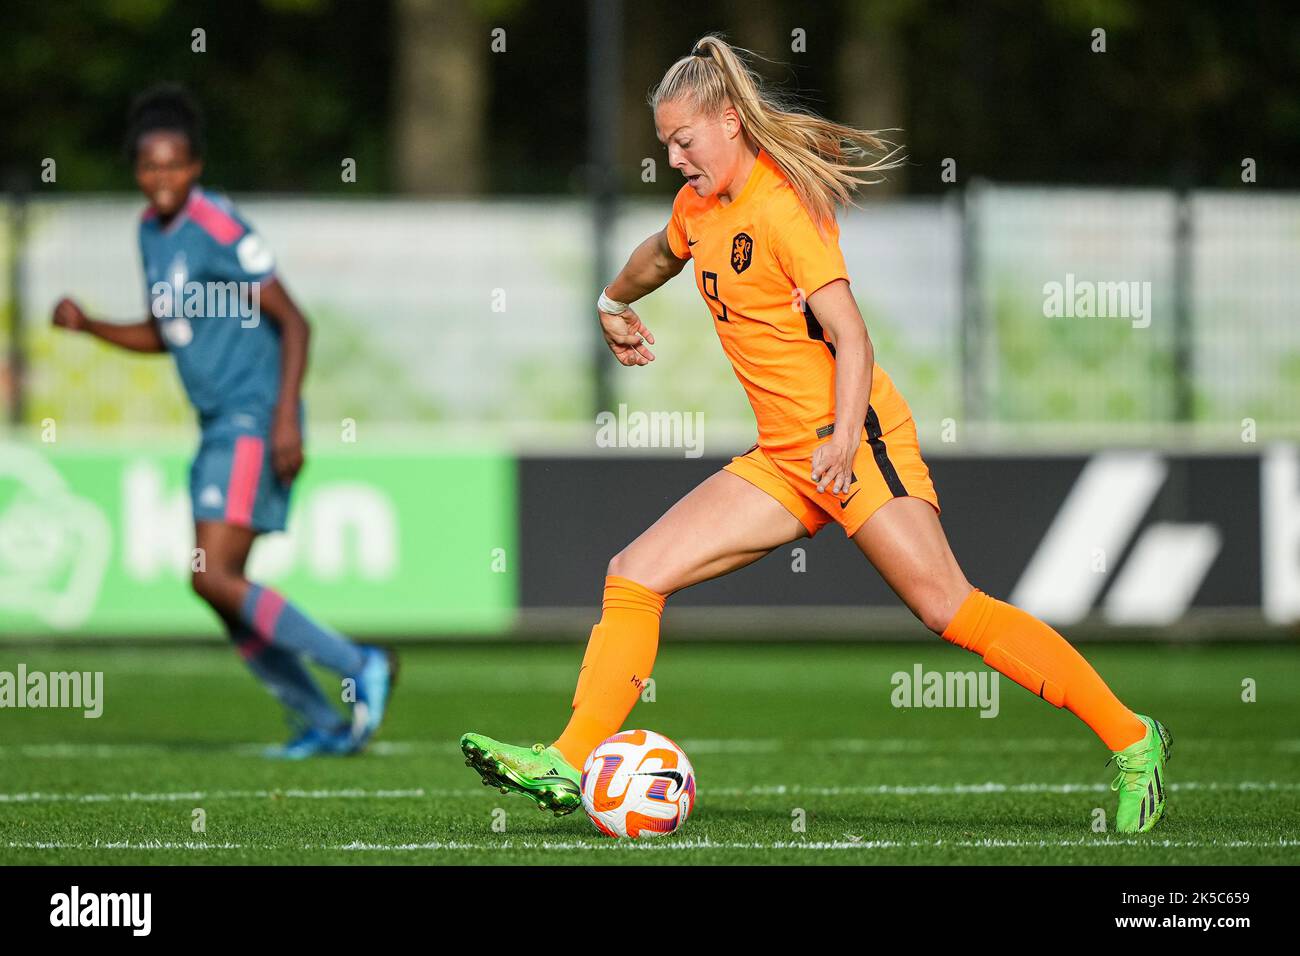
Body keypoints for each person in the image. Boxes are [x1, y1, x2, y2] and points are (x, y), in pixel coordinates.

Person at [462, 37, 1172, 833]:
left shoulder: (781, 208)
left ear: (729, 122)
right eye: (664, 143)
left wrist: (839, 438)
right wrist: (609, 300)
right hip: (783, 456)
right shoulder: (700, 208)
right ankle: (567, 760)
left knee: (949, 609)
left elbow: (852, 335)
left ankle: (1134, 738)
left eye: (683, 140)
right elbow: (659, 256)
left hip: (854, 439)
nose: (672, 158)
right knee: (634, 573)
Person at [52, 84, 396, 759]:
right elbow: (168, 332)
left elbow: (294, 320)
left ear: (197, 165)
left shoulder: (217, 226)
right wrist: (90, 325)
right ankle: (320, 719)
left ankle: (358, 665)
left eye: (173, 165)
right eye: (149, 167)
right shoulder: (151, 234)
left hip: (252, 417)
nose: (161, 179)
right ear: (136, 170)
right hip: (217, 425)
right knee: (212, 585)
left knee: (212, 575)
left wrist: (284, 422)